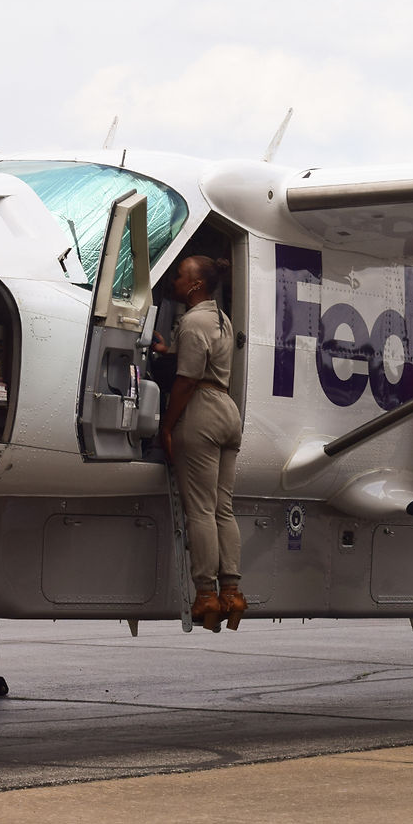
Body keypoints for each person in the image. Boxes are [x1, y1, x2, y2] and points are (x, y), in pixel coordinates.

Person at [154, 255, 246, 633]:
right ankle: (232, 592)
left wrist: (167, 426)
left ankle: (205, 594)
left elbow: (187, 380)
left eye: (179, 276)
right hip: (227, 410)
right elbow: (204, 358)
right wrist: (169, 352)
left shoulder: (191, 322)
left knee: (201, 511)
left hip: (202, 411)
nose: (175, 280)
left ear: (194, 286)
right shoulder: (220, 318)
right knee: (223, 508)